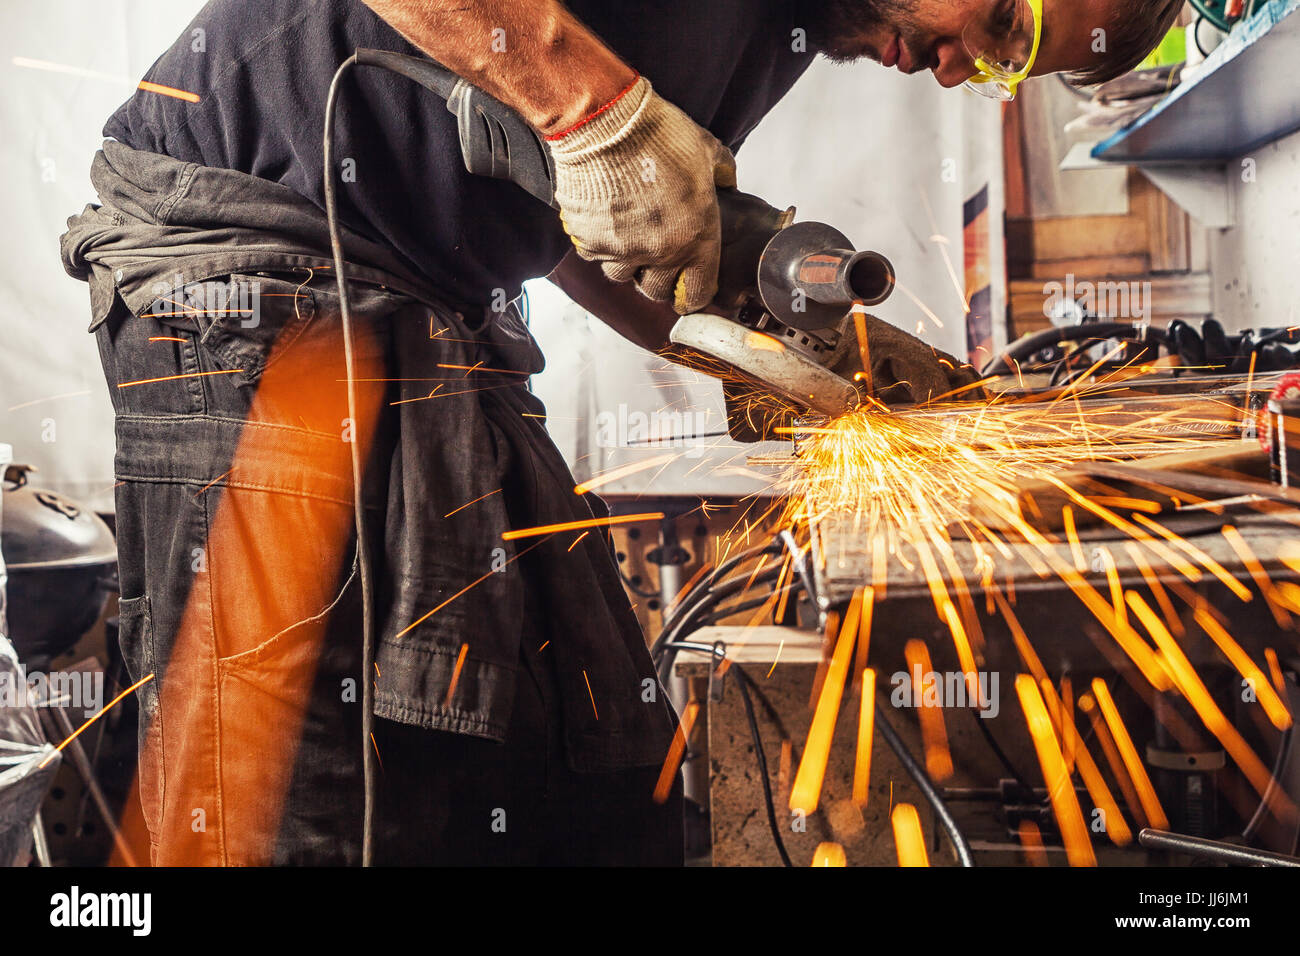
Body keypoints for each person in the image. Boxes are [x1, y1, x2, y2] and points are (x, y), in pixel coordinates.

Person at [60, 0, 1185, 866]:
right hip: (250, 277)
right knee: (327, 798)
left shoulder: (783, 29)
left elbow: (585, 226)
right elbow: (574, 130)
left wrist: (785, 354)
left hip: (441, 305)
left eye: (995, 66)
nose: (957, 67)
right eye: (993, 24)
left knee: (599, 761)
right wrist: (592, 113)